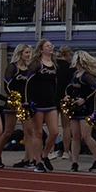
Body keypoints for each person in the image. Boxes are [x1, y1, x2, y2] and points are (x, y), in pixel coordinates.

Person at [64, 50, 96, 171]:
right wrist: (67, 96)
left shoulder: (87, 75)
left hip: (86, 109)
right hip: (75, 108)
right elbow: (69, 88)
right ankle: (74, 162)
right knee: (75, 136)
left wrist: (85, 99)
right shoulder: (76, 74)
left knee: (86, 135)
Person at [27, 39, 63, 172]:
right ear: (41, 49)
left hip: (50, 103)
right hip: (37, 103)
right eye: (47, 46)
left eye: (51, 46)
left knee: (54, 132)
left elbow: (55, 83)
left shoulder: (54, 64)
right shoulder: (36, 64)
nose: (50, 47)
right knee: (38, 133)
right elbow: (27, 83)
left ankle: (45, 155)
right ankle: (37, 161)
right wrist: (28, 102)